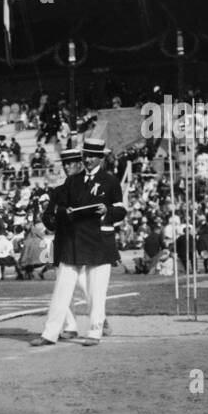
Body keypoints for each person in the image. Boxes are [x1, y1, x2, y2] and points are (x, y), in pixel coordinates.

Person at [31, 139, 124, 347]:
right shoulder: (72, 183)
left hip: (97, 241)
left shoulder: (110, 181)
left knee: (96, 291)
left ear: (100, 157)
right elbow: (58, 210)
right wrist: (65, 212)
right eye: (86, 156)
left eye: (92, 156)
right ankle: (50, 333)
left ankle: (95, 331)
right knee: (61, 290)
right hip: (72, 242)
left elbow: (120, 210)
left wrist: (107, 211)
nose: (88, 160)